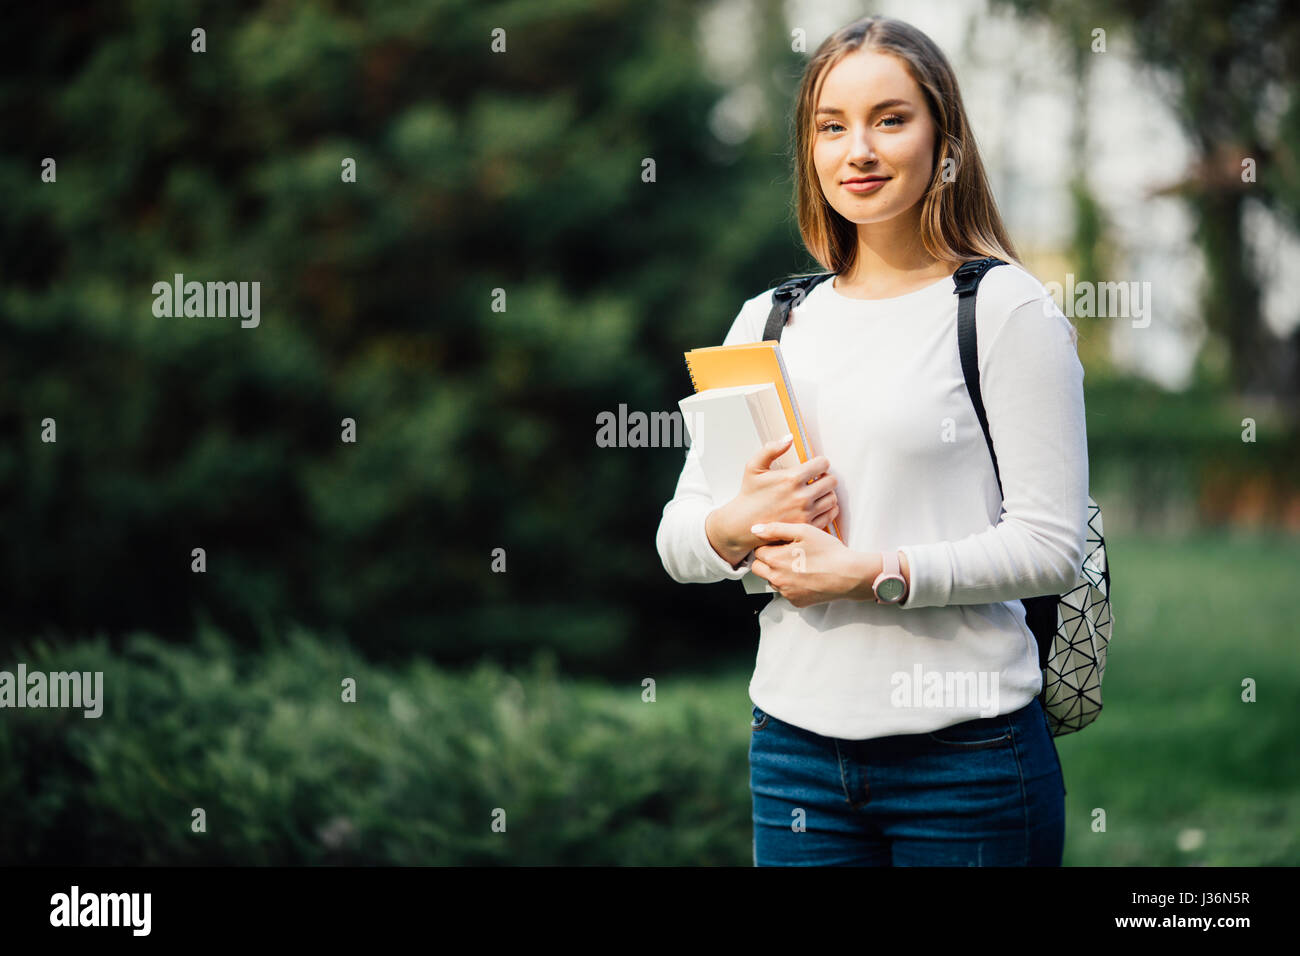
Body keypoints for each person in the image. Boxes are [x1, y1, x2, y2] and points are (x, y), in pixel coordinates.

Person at [655, 15, 1089, 866]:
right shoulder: (770, 320)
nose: (858, 148)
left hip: (967, 761)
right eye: (831, 126)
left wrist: (870, 575)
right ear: (810, 151)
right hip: (795, 758)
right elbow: (680, 539)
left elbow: (1051, 548)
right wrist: (737, 525)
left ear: (945, 139)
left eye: (890, 119)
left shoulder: (1004, 311)